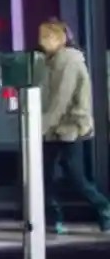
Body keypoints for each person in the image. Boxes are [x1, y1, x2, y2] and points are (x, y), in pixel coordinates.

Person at [37, 19, 110, 233]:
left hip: (68, 128)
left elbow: (60, 99)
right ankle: (54, 218)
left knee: (73, 175)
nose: (42, 41)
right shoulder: (51, 60)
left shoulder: (67, 61)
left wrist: (40, 126)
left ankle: (102, 208)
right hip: (55, 127)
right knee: (47, 175)